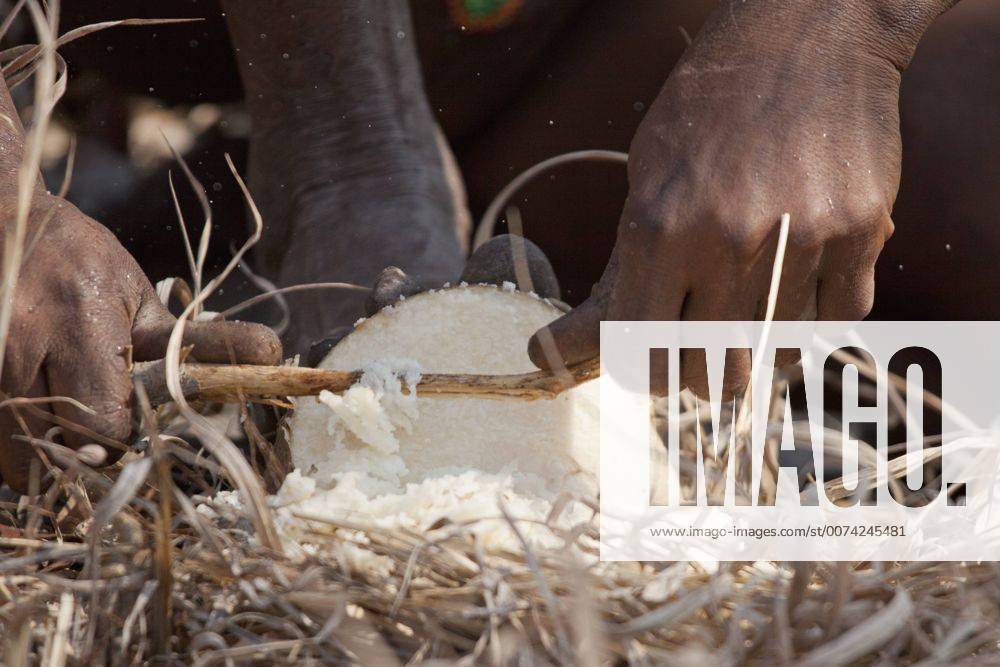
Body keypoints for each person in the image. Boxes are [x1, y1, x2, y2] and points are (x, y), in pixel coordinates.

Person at [1, 0, 996, 492]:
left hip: (527, 44)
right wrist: (14, 210)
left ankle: (179, 202)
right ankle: (155, 204)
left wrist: (829, 31)